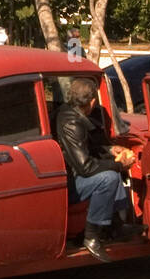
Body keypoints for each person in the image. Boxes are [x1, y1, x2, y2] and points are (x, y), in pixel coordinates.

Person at [54, 77, 139, 262]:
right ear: (92, 101)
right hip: (69, 182)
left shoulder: (71, 114)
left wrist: (109, 150)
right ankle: (91, 235)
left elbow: (85, 149)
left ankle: (116, 225)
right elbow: (85, 167)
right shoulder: (72, 123)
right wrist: (119, 165)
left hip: (71, 173)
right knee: (108, 178)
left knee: (111, 174)